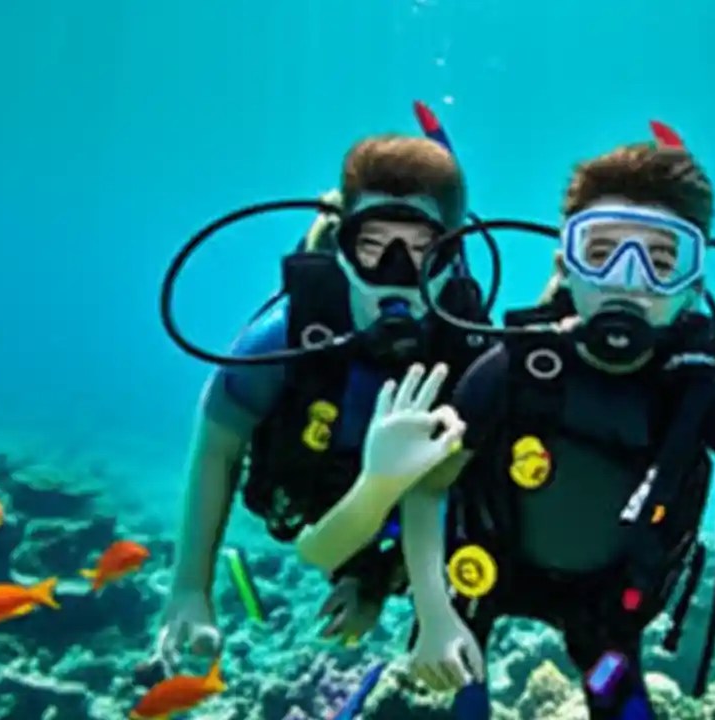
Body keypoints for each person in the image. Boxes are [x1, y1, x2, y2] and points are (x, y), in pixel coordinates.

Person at [372, 134, 715, 718]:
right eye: (601, 251)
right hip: (484, 579)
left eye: (662, 261)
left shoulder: (695, 392)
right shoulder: (509, 370)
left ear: (694, 286)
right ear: (566, 264)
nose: (628, 279)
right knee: (463, 702)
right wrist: (434, 611)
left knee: (620, 702)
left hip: (605, 611)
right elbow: (429, 483)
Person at [148, 133, 492, 675]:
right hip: (314, 501)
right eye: (374, 245)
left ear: (452, 255)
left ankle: (373, 579)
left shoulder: (470, 355)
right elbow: (217, 447)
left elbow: (435, 495)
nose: (396, 273)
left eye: (421, 250)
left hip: (397, 532)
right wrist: (190, 587)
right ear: (340, 244)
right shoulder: (284, 337)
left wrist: (387, 587)